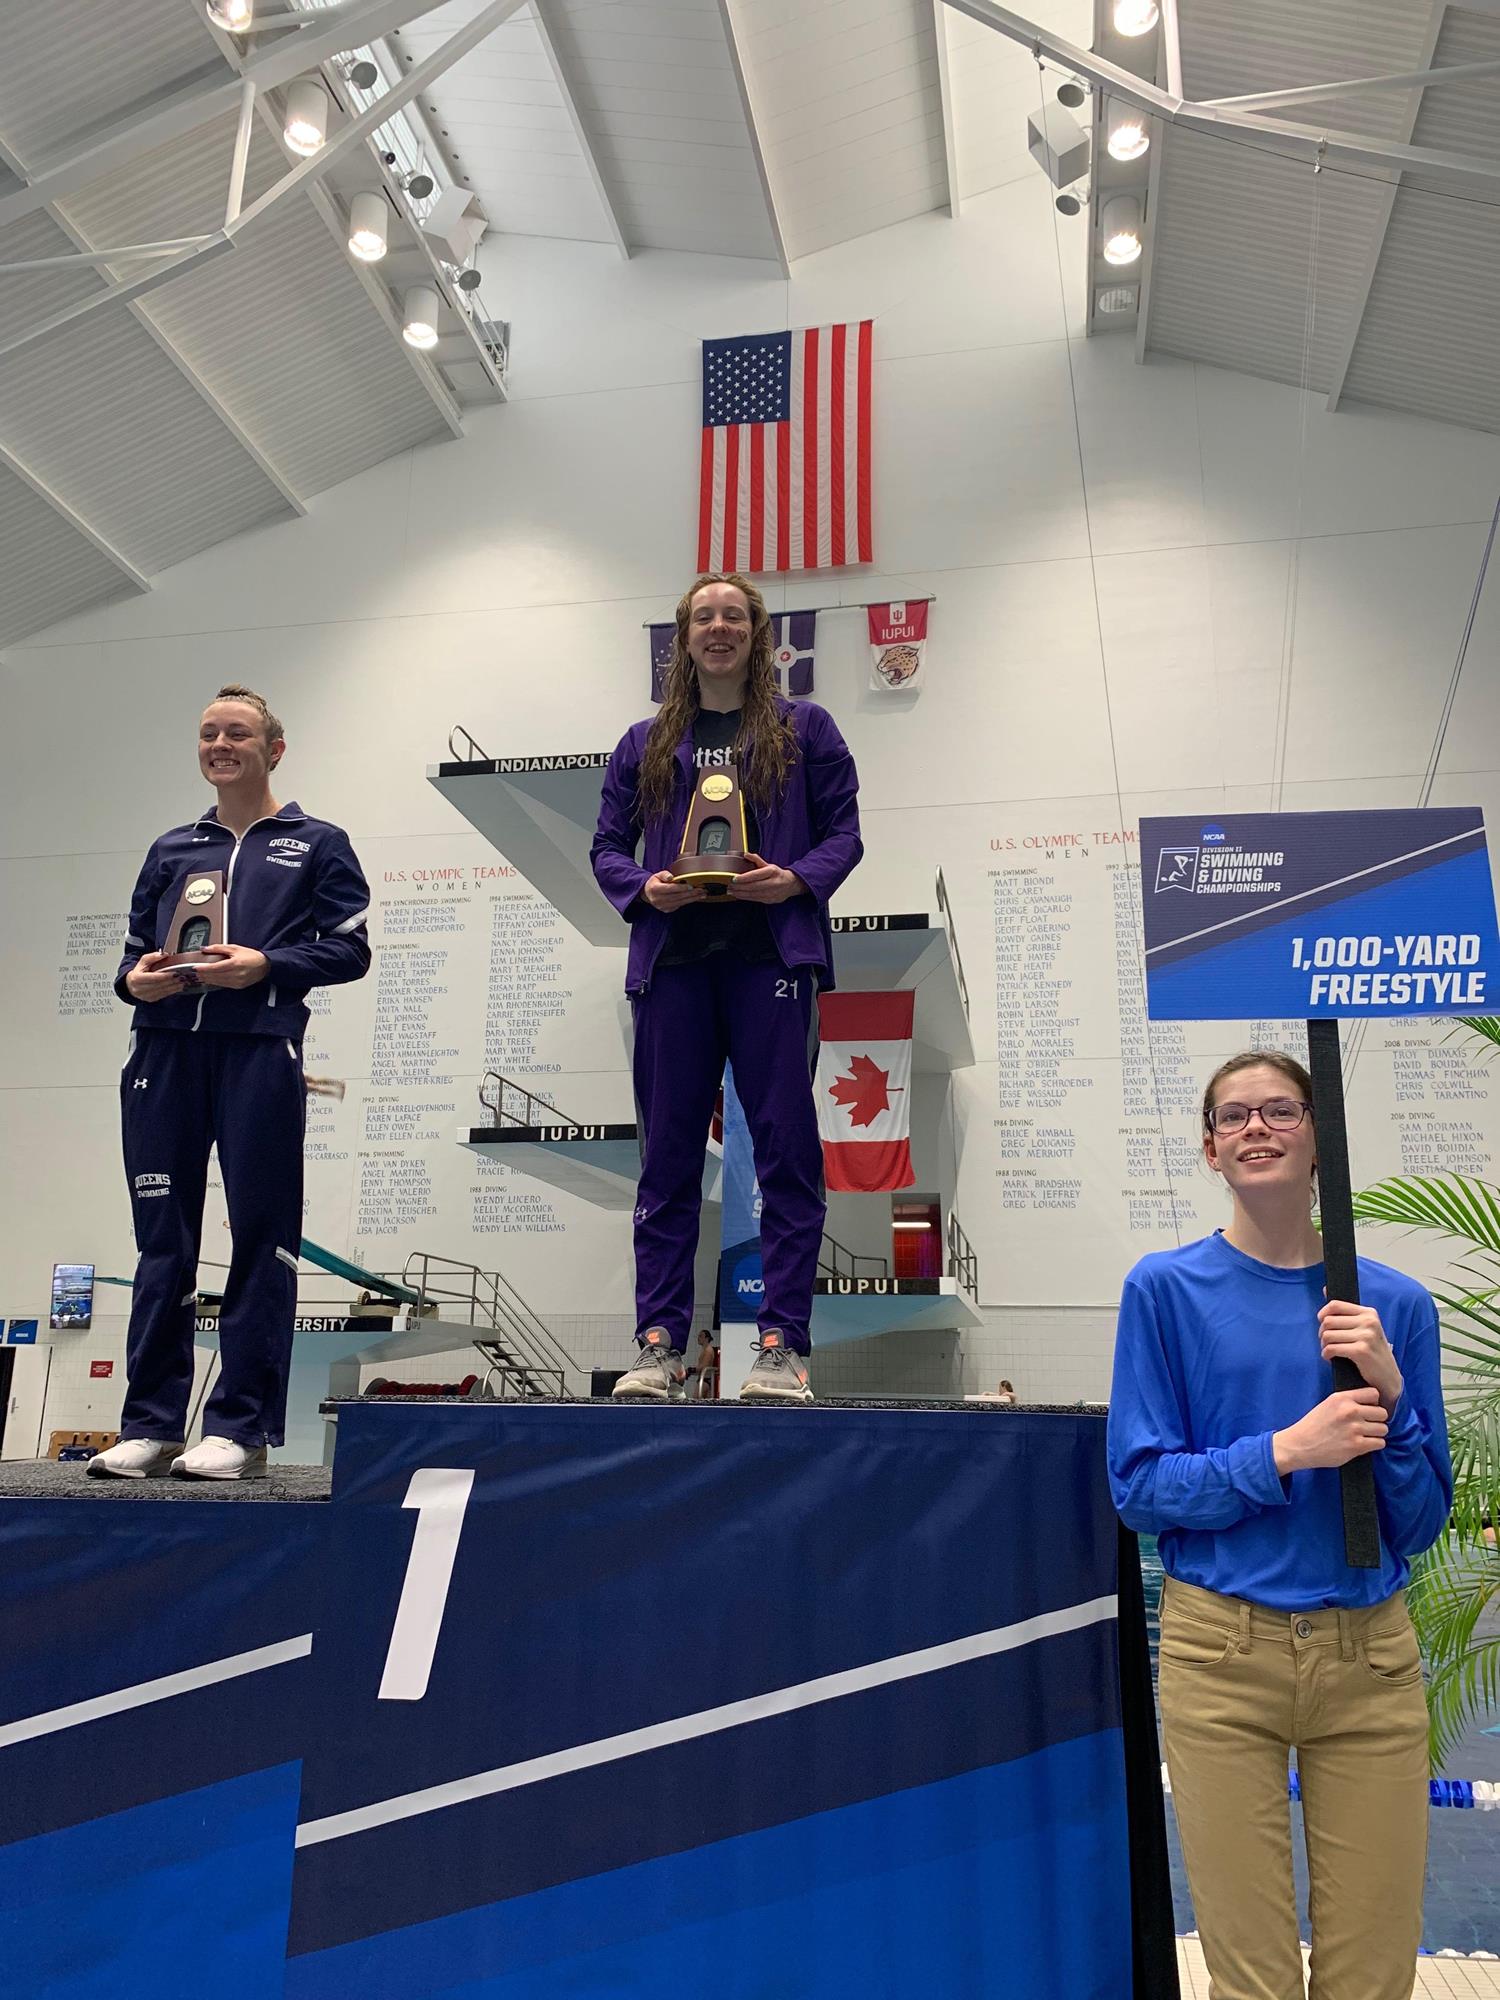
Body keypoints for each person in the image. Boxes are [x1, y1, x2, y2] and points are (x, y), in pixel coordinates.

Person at [1108, 1050, 1451, 2000]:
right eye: (1233, 1115)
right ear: (1210, 1148)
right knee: (1251, 1982)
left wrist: (1392, 1397)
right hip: (1222, 1656)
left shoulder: (1394, 1306)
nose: (1256, 1126)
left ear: (1318, 1136)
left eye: (1280, 1110)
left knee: (1372, 1977)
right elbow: (1139, 1489)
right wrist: (1286, 1453)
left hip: (1370, 1659)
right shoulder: (1164, 1292)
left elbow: (1421, 1523)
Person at [591, 572, 862, 1404]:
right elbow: (607, 848)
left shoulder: (805, 729)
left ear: (757, 634)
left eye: (734, 615)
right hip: (673, 967)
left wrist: (795, 880)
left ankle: (782, 1347)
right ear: (684, 636)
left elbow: (846, 833)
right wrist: (645, 889)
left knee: (786, 1155)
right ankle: (658, 1346)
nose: (719, 627)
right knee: (668, 1160)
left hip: (770, 962)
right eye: (704, 616)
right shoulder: (644, 742)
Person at [89, 685, 371, 1482]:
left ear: (273, 749)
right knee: (162, 1244)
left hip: (258, 1054)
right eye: (209, 732)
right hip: (163, 1053)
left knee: (260, 1239)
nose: (220, 744)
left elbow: (351, 950)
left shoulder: (317, 843)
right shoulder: (172, 848)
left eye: (238, 733)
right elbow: (134, 953)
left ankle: (239, 1429)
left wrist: (265, 965)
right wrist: (132, 983)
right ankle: (149, 1426)